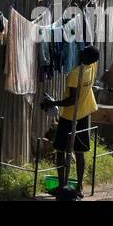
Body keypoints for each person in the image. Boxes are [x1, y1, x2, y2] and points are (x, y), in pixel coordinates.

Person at [42, 44, 100, 198]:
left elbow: (71, 101)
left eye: (84, 52)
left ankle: (62, 186)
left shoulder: (75, 74)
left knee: (61, 150)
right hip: (85, 111)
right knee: (80, 152)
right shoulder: (93, 65)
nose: (80, 51)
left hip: (70, 116)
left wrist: (53, 103)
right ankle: (79, 188)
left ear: (87, 58)